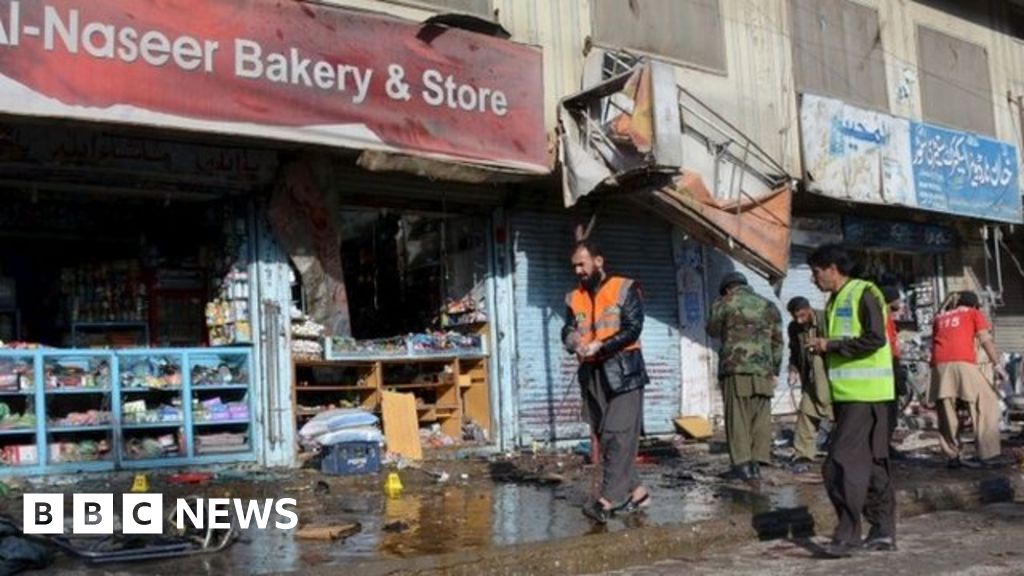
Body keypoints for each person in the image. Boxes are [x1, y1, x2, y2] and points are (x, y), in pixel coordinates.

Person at [806, 244, 896, 557]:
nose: (813, 279)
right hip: (850, 397)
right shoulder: (834, 301)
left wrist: (830, 344)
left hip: (867, 396)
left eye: (816, 272)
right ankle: (883, 531)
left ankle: (848, 535)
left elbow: (875, 338)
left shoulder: (864, 292)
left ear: (833, 268)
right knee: (872, 465)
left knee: (838, 464)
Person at [562, 240, 650, 523]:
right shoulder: (573, 297)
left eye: (582, 264)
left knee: (616, 436)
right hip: (592, 374)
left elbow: (633, 328)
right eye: (574, 265)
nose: (578, 270)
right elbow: (568, 328)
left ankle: (608, 500)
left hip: (624, 371)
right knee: (606, 434)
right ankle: (637, 491)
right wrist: (573, 340)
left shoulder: (624, 287)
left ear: (598, 261)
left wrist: (602, 345)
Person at [706, 272, 783, 481]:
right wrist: (775, 370)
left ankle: (742, 465)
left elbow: (711, 329)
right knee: (760, 417)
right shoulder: (768, 305)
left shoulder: (725, 302)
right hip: (763, 370)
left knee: (737, 417)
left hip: (735, 368)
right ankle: (757, 463)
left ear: (728, 288)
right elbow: (778, 341)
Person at [930, 290, 1008, 469]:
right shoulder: (973, 313)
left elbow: (935, 343)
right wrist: (997, 365)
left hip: (939, 365)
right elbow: (985, 340)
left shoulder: (940, 317)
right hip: (962, 361)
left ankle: (952, 455)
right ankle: (987, 454)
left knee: (946, 407)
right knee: (986, 402)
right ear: (974, 305)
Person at [786, 297, 832, 471]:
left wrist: (823, 345)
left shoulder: (825, 318)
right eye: (795, 316)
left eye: (802, 315)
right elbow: (794, 351)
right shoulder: (794, 328)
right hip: (810, 377)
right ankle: (802, 455)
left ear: (809, 309)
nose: (799, 320)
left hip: (830, 376)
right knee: (806, 414)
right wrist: (793, 368)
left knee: (837, 415)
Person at [881, 286, 907, 451]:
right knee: (889, 411)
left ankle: (885, 445)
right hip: (888, 366)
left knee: (891, 410)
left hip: (889, 365)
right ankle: (884, 447)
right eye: (898, 299)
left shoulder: (885, 316)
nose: (900, 302)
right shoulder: (883, 315)